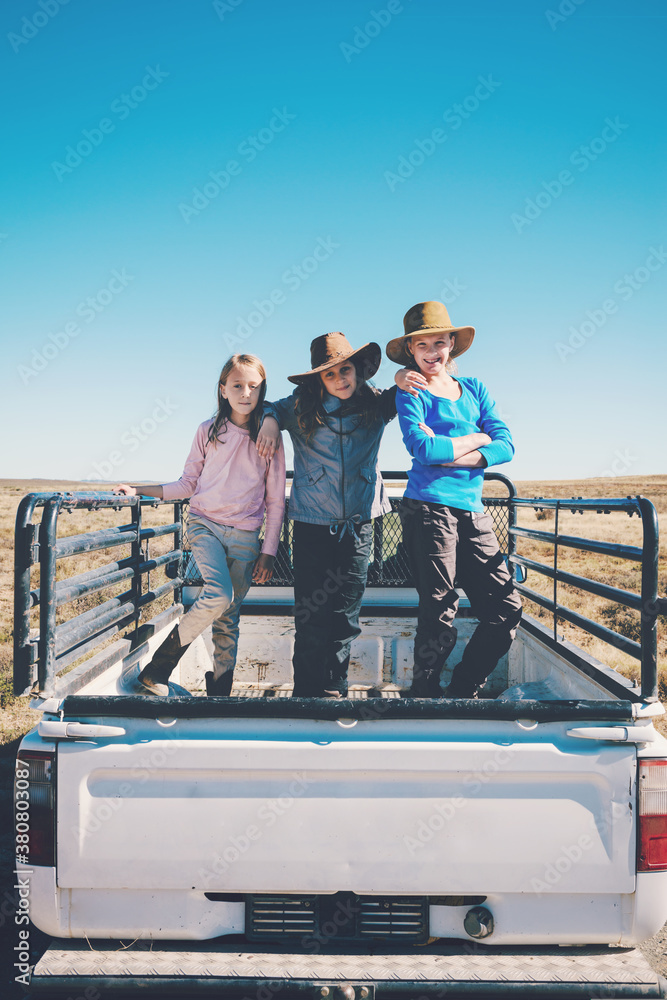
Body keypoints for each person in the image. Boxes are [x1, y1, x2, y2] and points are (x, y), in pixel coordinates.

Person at [115, 353, 286, 696]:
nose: (245, 393)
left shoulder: (271, 437)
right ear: (223, 390)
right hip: (205, 525)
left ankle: (220, 692)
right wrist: (139, 489)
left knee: (228, 618)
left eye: (254, 386)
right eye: (237, 385)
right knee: (218, 594)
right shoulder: (207, 432)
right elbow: (186, 484)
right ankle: (156, 671)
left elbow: (275, 500)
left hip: (246, 536)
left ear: (262, 390)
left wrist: (268, 551)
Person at [256, 332, 413, 698]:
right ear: (318, 380)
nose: (341, 379)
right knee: (311, 616)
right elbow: (266, 408)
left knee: (345, 618)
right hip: (311, 525)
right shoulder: (298, 407)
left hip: (359, 527)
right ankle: (305, 692)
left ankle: (333, 688)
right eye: (330, 374)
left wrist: (401, 378)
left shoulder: (375, 404)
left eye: (346, 370)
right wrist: (267, 421)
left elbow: (405, 390)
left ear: (358, 370)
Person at [387, 301, 522, 698]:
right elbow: (422, 449)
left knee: (505, 608)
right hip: (427, 508)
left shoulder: (476, 389)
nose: (432, 352)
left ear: (451, 345)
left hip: (473, 511)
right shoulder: (411, 391)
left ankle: (464, 688)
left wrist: (461, 450)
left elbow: (507, 444)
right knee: (439, 608)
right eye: (422, 345)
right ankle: (424, 693)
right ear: (411, 350)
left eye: (439, 342)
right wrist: (478, 438)